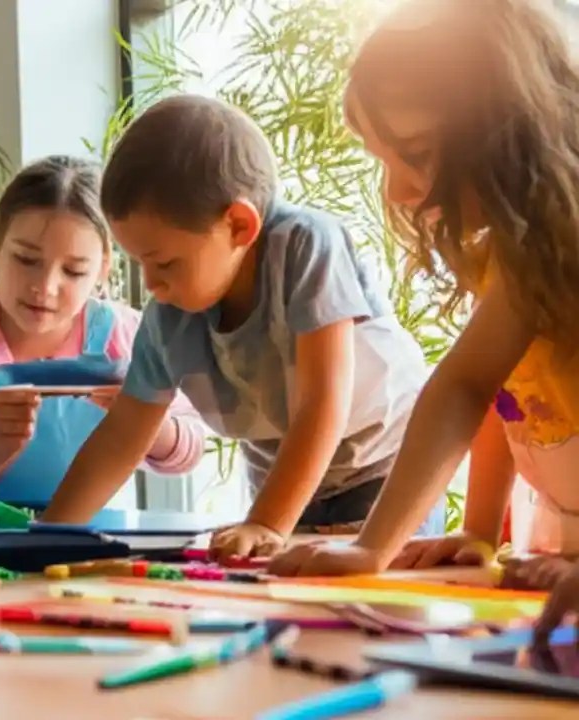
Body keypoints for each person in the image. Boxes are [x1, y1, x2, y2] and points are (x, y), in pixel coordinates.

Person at [40, 94, 436, 558]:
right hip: (288, 488)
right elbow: (123, 433)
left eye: (164, 261)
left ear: (239, 226)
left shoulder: (306, 245)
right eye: (139, 263)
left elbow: (322, 402)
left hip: (384, 474)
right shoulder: (169, 314)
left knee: (372, 604)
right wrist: (50, 536)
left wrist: (267, 522)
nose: (151, 283)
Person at [269, 0, 579, 583]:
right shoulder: (515, 258)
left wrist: (372, 548)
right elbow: (487, 392)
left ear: (508, 127)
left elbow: (466, 387)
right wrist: (477, 529)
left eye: (414, 154)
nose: (397, 192)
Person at [0, 156, 204, 509]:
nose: (45, 287)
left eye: (74, 271)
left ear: (102, 270)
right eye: (26, 259)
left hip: (105, 550)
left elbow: (189, 451)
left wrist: (144, 420)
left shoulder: (126, 336)